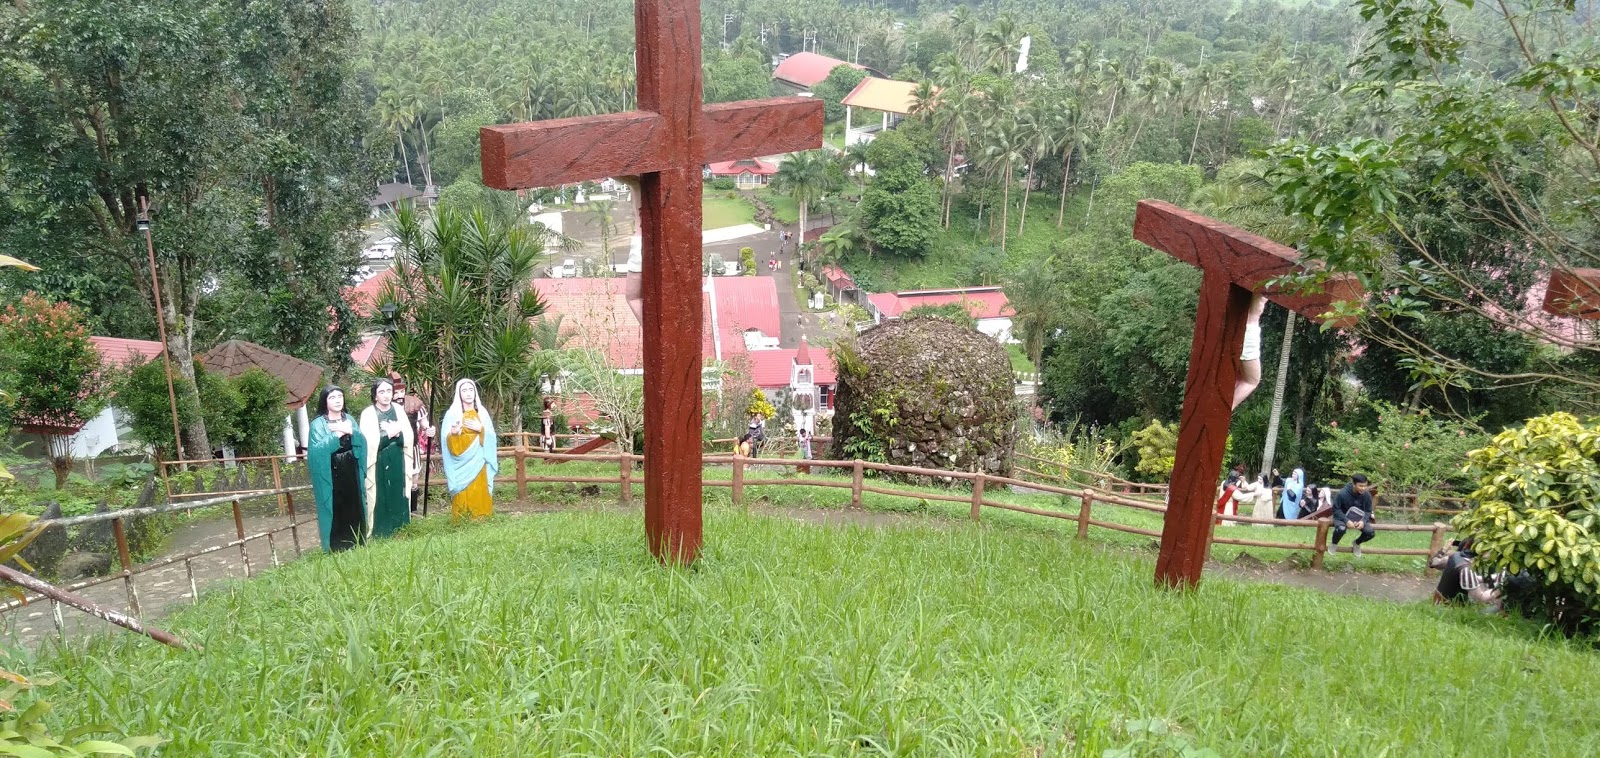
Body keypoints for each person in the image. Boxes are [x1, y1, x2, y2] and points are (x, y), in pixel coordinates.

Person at [307, 386, 367, 552]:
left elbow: (361, 441)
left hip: (351, 468)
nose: (338, 400)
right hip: (332, 471)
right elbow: (315, 452)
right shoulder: (318, 425)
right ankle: (337, 545)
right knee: (336, 506)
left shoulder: (349, 419)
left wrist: (351, 431)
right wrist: (335, 436)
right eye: (332, 397)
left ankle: (358, 540)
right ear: (325, 401)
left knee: (354, 504)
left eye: (340, 396)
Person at [359, 378, 414, 540]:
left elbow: (408, 435)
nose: (386, 395)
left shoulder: (398, 409)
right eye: (381, 392)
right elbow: (367, 442)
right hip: (379, 463)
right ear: (375, 395)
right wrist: (388, 434)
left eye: (389, 391)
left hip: (398, 460)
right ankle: (379, 531)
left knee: (399, 493)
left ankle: (401, 528)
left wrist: (399, 433)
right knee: (380, 496)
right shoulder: (368, 414)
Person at [442, 378, 498, 522]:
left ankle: (482, 517)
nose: (468, 393)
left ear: (475, 392)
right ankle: (462, 519)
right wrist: (453, 434)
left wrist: (481, 429)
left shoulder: (482, 413)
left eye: (471, 390)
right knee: (463, 494)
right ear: (459, 394)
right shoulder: (452, 414)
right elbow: (447, 442)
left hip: (479, 461)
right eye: (464, 390)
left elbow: (491, 437)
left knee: (479, 489)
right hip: (460, 464)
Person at [394, 381, 433, 513]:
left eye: (401, 391)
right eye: (395, 392)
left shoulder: (414, 403)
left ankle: (412, 510)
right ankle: (398, 509)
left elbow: (424, 423)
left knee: (413, 477)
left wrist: (429, 429)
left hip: (412, 446)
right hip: (393, 447)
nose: (399, 395)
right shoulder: (385, 406)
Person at [1430, 537, 1501, 608]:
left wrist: (1444, 549)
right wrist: (1501, 588)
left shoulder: (1455, 556)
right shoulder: (1467, 569)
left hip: (1437, 602)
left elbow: (1434, 563)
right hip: (1451, 608)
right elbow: (1480, 598)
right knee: (1494, 610)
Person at [1233, 294, 1267, 409]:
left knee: (1239, 377)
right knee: (1252, 380)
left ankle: (1220, 408)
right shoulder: (1261, 280)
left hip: (1241, 326)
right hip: (1248, 330)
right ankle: (1224, 410)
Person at [1330, 473, 1377, 557]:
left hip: (1359, 518)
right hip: (1342, 517)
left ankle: (1357, 543)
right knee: (1341, 529)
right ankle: (1334, 543)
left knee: (1370, 533)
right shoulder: (1342, 494)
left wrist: (1363, 521)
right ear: (1353, 484)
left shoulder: (1367, 495)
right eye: (1360, 486)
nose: (1363, 488)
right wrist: (1346, 520)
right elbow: (1336, 509)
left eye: (1365, 486)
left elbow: (1368, 511)